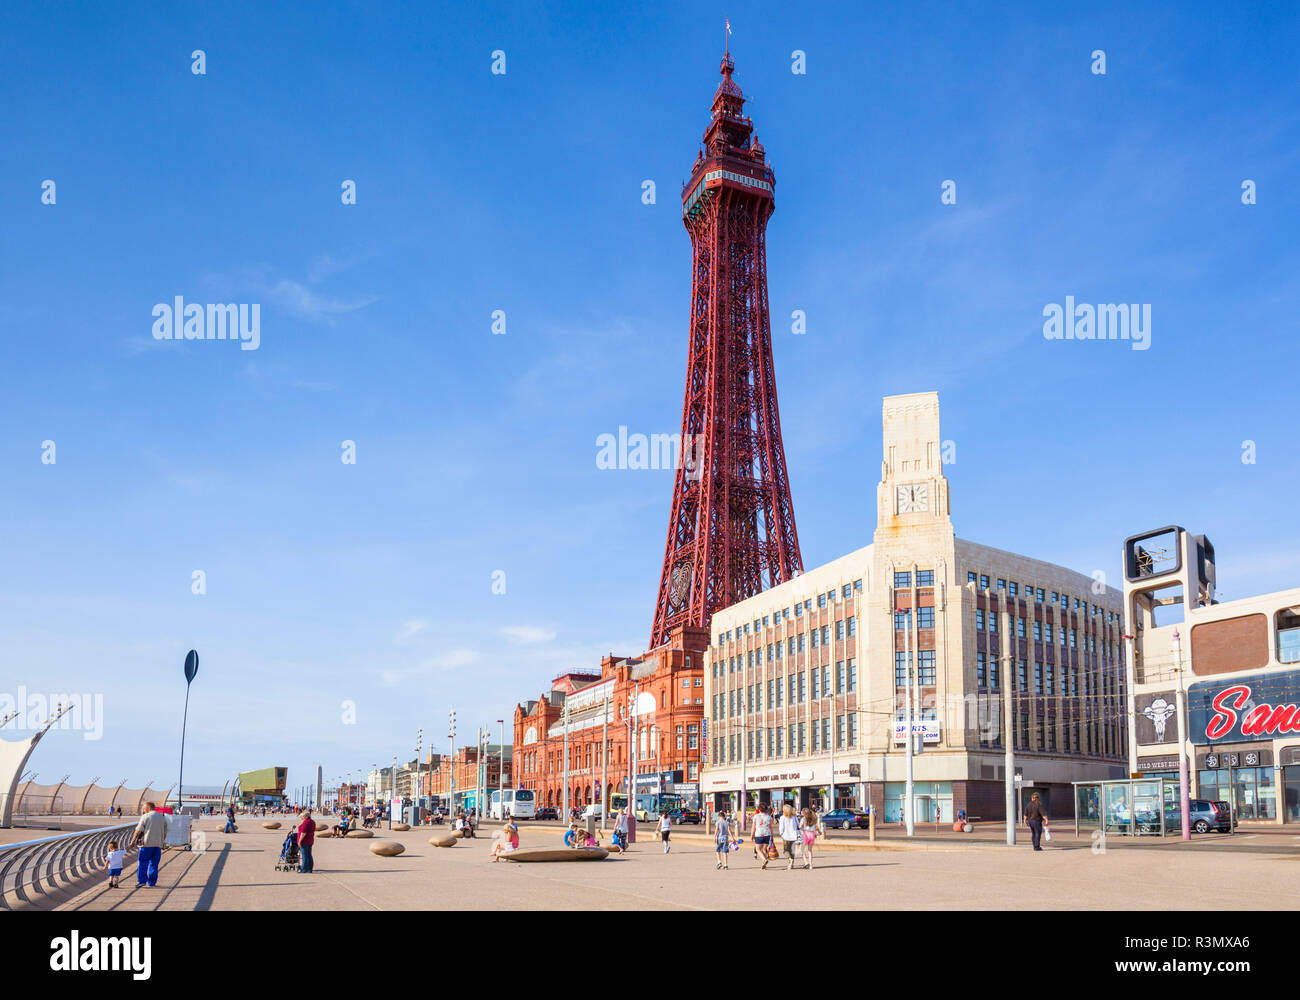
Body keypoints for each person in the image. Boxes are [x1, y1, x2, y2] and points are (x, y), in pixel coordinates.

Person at [131, 801, 169, 888]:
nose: (143, 810)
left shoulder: (145, 816)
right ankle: (152, 882)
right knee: (154, 864)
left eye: (144, 808)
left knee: (143, 862)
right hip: (158, 845)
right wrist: (162, 841)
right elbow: (165, 832)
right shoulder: (162, 817)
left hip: (147, 844)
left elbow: (138, 830)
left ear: (148, 807)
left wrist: (132, 841)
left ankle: (142, 881)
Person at [777, 803, 800, 870]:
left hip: (786, 835)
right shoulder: (794, 817)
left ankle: (790, 859)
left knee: (786, 851)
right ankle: (791, 864)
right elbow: (798, 825)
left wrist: (781, 833)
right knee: (792, 851)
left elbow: (781, 827)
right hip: (794, 835)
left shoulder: (782, 817)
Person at [752, 803, 773, 869]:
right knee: (764, 849)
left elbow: (753, 827)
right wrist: (772, 836)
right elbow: (770, 827)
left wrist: (751, 835)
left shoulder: (756, 816)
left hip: (759, 834)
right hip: (767, 834)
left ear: (759, 809)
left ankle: (764, 860)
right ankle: (764, 864)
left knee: (758, 849)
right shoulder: (769, 817)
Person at [297, 808, 316, 873]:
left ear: (305, 816)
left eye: (302, 817)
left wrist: (299, 841)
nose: (301, 818)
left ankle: (304, 869)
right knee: (309, 855)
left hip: (304, 841)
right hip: (310, 840)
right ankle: (309, 868)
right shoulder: (312, 821)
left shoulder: (306, 822)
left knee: (304, 855)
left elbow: (303, 833)